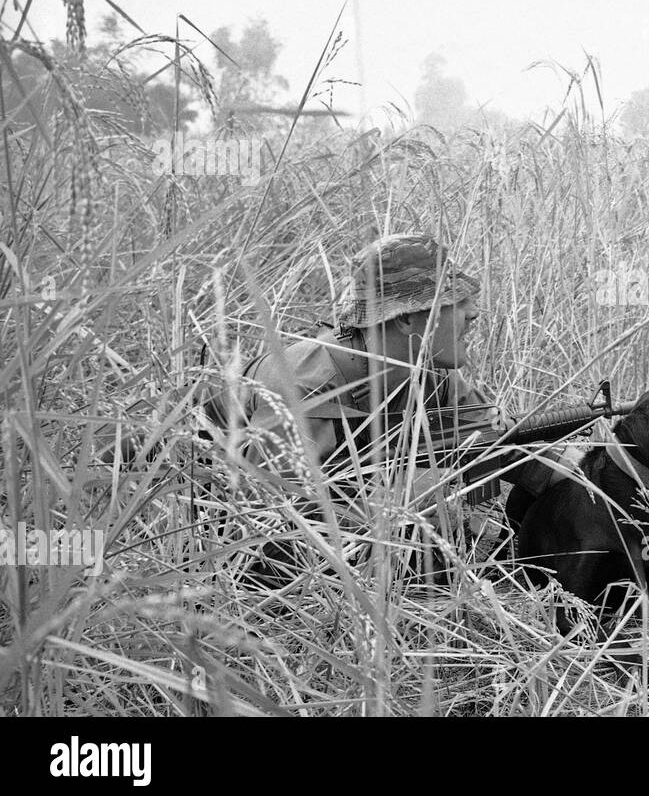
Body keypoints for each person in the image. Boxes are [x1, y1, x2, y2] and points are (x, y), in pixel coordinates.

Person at [215, 232, 570, 587]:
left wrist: (595, 468)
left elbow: (502, 445)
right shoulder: (308, 387)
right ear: (405, 319)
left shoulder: (432, 376)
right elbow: (267, 533)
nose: (474, 313)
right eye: (456, 302)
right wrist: (412, 494)